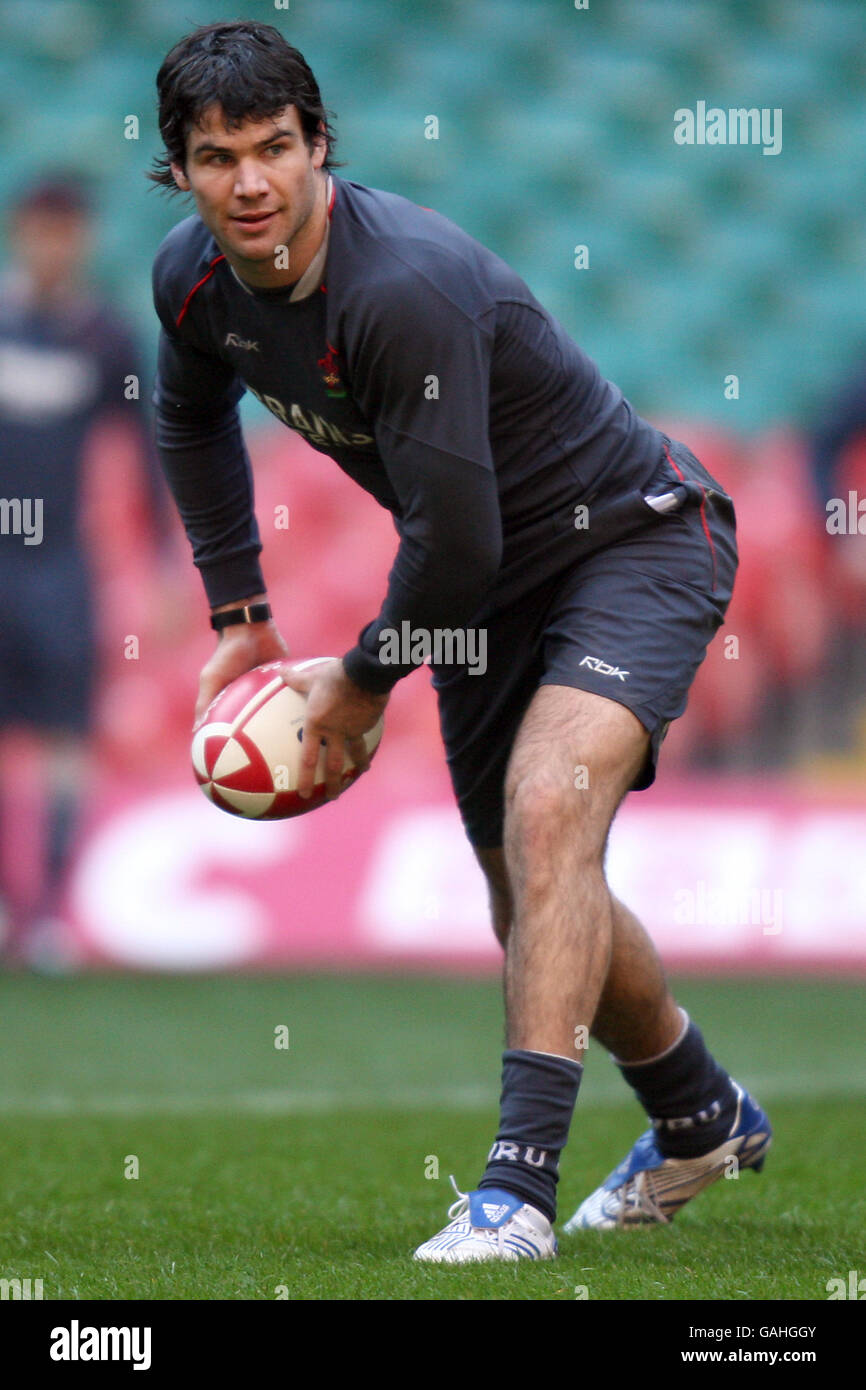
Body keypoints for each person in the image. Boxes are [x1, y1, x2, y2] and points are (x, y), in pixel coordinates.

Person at [148, 20, 771, 1261]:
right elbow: (189, 416)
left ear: (321, 147)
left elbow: (460, 548)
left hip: (630, 542)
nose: (253, 182)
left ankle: (512, 1193)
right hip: (485, 590)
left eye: (277, 148)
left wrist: (364, 679)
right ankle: (700, 1114)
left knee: (549, 810)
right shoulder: (192, 280)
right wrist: (240, 615)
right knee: (526, 890)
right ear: (180, 172)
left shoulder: (400, 290)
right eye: (219, 158)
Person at [0, 177, 169, 968]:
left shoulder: (103, 337)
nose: (52, 245)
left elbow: (146, 453)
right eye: (41, 229)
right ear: (19, 233)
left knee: (67, 735)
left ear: (85, 239)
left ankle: (48, 915)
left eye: (66, 231)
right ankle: (9, 905)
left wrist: (168, 562)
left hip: (58, 567)